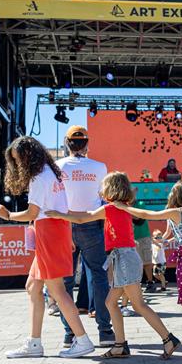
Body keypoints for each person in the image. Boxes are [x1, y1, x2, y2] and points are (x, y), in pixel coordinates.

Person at [46, 172, 181, 360]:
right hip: (123, 258)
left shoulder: (110, 208)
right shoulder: (123, 207)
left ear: (111, 189)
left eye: (104, 186)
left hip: (124, 259)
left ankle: (168, 339)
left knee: (139, 304)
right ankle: (120, 345)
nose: (101, 190)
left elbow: (83, 218)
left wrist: (59, 214)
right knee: (110, 303)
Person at [0, 136, 94, 359]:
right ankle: (34, 343)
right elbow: (61, 206)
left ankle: (82, 340)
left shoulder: (39, 178)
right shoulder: (52, 174)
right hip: (54, 230)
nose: (18, 164)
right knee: (33, 286)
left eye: (19, 159)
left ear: (28, 156)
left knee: (57, 290)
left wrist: (8, 216)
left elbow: (32, 213)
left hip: (49, 232)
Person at [110, 181, 182, 361]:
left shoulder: (176, 212)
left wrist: (124, 208)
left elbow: (148, 214)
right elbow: (178, 234)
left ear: (175, 195)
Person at [55, 126, 114, 348]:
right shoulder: (100, 167)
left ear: (67, 143)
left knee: (66, 281)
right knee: (99, 277)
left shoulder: (57, 167)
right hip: (91, 223)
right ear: (87, 144)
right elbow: (104, 196)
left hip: (64, 226)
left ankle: (70, 333)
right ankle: (105, 331)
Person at [132, 213, 156, 293]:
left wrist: (125, 212)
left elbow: (139, 219)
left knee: (147, 262)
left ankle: (150, 283)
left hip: (143, 238)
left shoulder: (140, 203)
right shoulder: (124, 205)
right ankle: (137, 284)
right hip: (131, 239)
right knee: (135, 263)